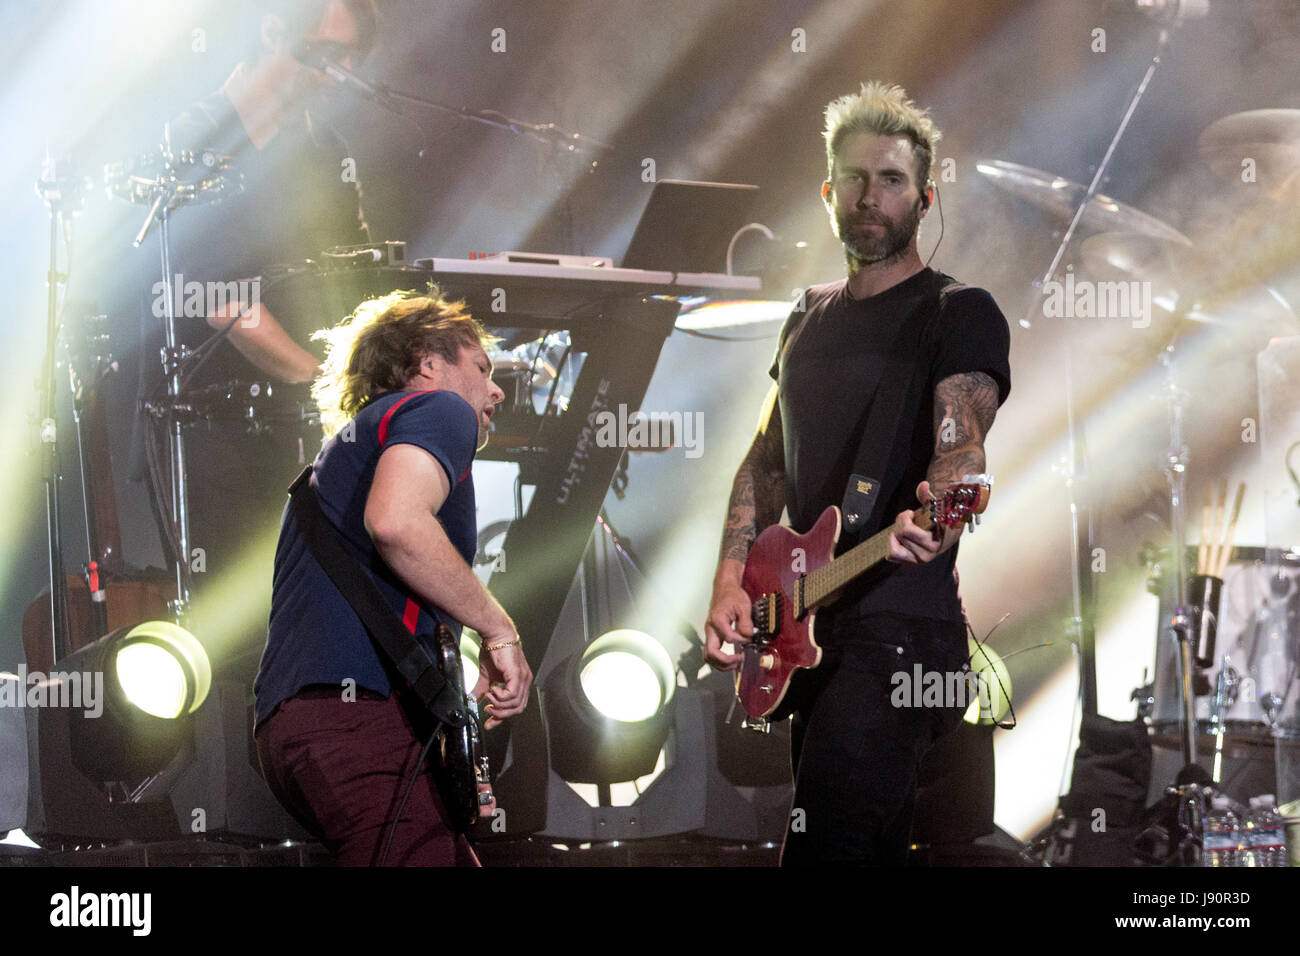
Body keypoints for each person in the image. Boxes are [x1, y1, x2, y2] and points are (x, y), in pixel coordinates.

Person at [704, 81, 1011, 865]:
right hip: (809, 624)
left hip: (901, 632)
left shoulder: (955, 311)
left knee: (826, 843)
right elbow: (769, 457)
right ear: (828, 190)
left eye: (892, 179)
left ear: (925, 198)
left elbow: (962, 454)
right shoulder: (806, 313)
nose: (870, 195)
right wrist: (731, 579)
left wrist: (939, 519)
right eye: (855, 178)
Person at [253, 290, 532, 866]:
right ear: (427, 364)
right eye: (482, 368)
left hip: (301, 721)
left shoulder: (347, 452)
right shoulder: (438, 408)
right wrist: (500, 631)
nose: (497, 389)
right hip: (356, 719)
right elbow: (398, 524)